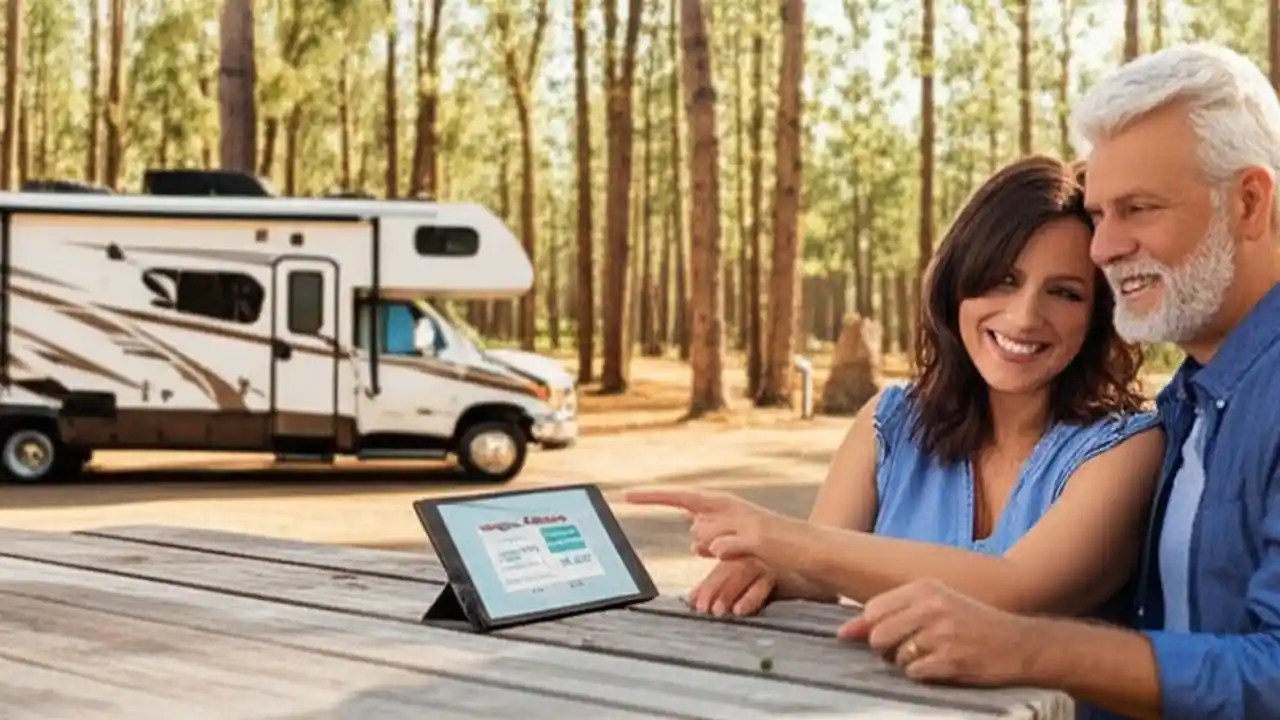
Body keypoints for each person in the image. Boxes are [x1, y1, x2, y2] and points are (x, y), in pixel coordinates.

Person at [833, 43, 1280, 720]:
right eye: (1100, 216)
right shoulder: (1189, 406)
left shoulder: (1141, 438)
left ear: (1248, 202)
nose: (1104, 249)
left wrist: (1028, 646)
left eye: (1138, 208)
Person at [626, 154, 1165, 621]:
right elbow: (819, 573)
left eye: (1065, 293)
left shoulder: (1128, 448)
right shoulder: (893, 421)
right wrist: (771, 571)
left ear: (1100, 316)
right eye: (1003, 280)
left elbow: (1012, 590)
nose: (1025, 317)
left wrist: (785, 540)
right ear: (958, 283)